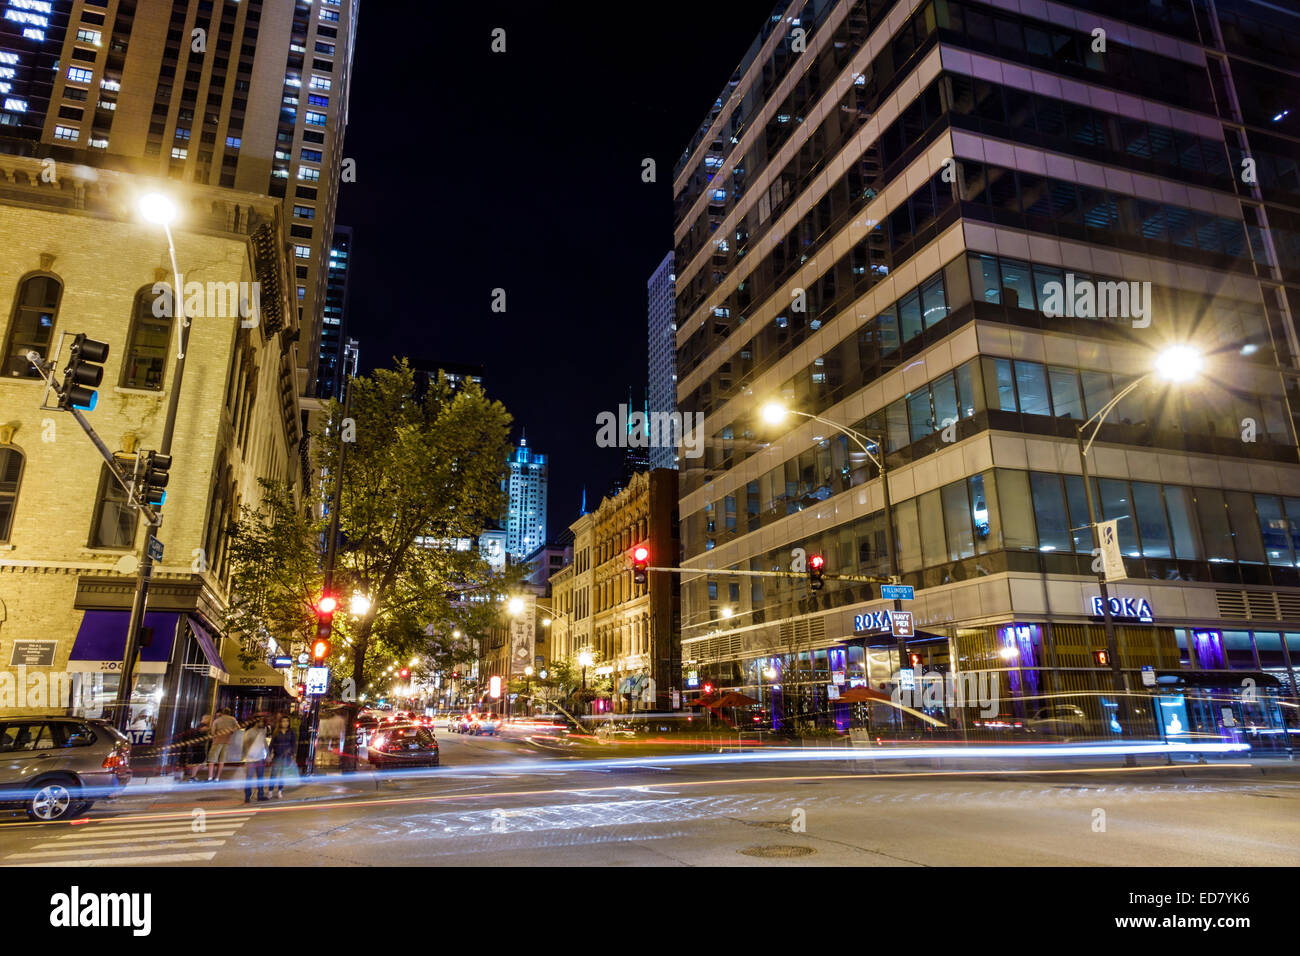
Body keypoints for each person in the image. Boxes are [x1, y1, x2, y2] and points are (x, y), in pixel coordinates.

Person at [268, 715, 298, 798]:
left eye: (287, 721)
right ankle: (270, 791)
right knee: (273, 774)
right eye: (283, 721)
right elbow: (271, 744)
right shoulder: (276, 731)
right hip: (277, 756)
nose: (285, 723)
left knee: (282, 775)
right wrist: (268, 754)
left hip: (286, 757)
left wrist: (292, 754)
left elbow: (293, 744)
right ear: (280, 723)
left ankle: (279, 791)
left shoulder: (291, 732)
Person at [241, 714, 269, 803]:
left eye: (263, 722)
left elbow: (264, 743)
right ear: (255, 722)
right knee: (249, 777)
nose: (262, 723)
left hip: (260, 757)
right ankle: (247, 796)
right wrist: (245, 757)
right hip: (251, 759)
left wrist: (268, 755)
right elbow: (245, 745)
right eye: (260, 721)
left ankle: (260, 795)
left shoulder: (263, 731)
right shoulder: (249, 732)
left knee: (260, 777)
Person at [207, 707, 239, 782]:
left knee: (212, 760)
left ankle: (210, 777)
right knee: (221, 761)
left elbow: (212, 732)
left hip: (217, 741)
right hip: (226, 741)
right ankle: (217, 777)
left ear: (222, 713)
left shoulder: (217, 720)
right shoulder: (233, 719)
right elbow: (238, 727)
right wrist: (231, 731)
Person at [178, 715, 211, 782]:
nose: (209, 721)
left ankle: (193, 775)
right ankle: (192, 776)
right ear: (206, 719)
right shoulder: (201, 725)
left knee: (198, 761)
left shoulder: (200, 725)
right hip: (199, 746)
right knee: (198, 760)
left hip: (198, 746)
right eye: (209, 719)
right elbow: (203, 729)